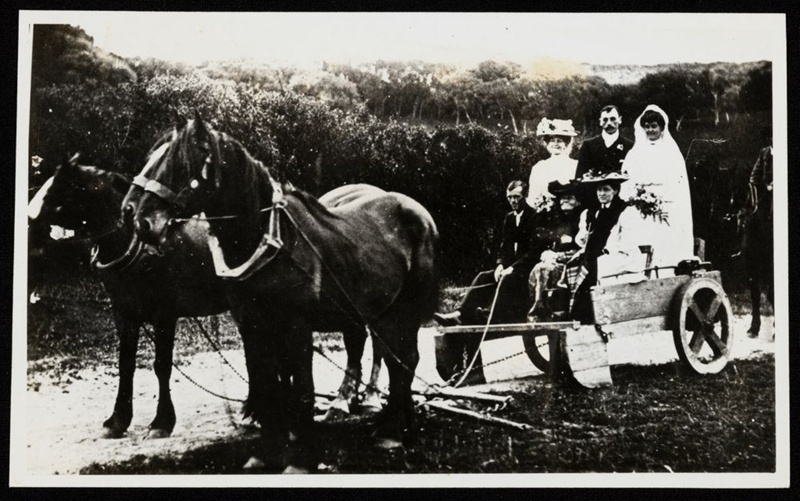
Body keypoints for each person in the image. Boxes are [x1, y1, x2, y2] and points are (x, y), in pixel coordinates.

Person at [435, 180, 545, 327]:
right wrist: (500, 265)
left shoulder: (536, 217)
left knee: (507, 278)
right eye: (509, 197)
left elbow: (535, 252)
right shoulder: (509, 218)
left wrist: (513, 268)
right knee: (484, 276)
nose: (513, 200)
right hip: (509, 269)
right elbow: (504, 247)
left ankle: (488, 316)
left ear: (525, 196)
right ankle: (460, 314)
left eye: (517, 196)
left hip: (527, 271)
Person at [620, 104, 694, 271]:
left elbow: (677, 184)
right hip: (640, 209)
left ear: (661, 128)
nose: (650, 130)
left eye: (654, 126)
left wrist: (658, 201)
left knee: (663, 243)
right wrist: (637, 197)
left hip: (665, 208)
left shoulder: (671, 153)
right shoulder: (635, 153)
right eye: (647, 126)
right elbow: (626, 180)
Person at [565, 171, 643, 324]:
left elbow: (628, 242)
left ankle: (592, 316)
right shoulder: (592, 212)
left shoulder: (626, 212)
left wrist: (605, 251)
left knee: (596, 266)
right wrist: (585, 235)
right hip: (595, 254)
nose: (601, 193)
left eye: (606, 190)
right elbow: (582, 241)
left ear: (615, 190)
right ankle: (573, 314)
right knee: (572, 265)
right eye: (599, 190)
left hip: (621, 256)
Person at [527, 180, 583, 322]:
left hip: (573, 262)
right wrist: (548, 253)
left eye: (569, 197)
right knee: (539, 268)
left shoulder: (580, 220)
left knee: (544, 269)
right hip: (557, 261)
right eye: (562, 198)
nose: (565, 201)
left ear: (577, 201)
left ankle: (541, 313)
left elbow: (580, 247)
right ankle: (541, 310)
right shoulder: (556, 220)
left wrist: (559, 255)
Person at [574, 105, 634, 207]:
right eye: (605, 119)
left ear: (620, 120)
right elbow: (580, 176)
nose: (609, 123)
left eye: (613, 119)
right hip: (594, 202)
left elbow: (633, 176)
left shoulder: (630, 146)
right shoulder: (589, 145)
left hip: (621, 202)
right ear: (600, 121)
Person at [526, 118, 579, 207]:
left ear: (566, 143)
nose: (555, 144)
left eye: (559, 140)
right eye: (552, 140)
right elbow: (533, 196)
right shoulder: (540, 167)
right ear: (547, 143)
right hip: (547, 212)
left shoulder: (575, 165)